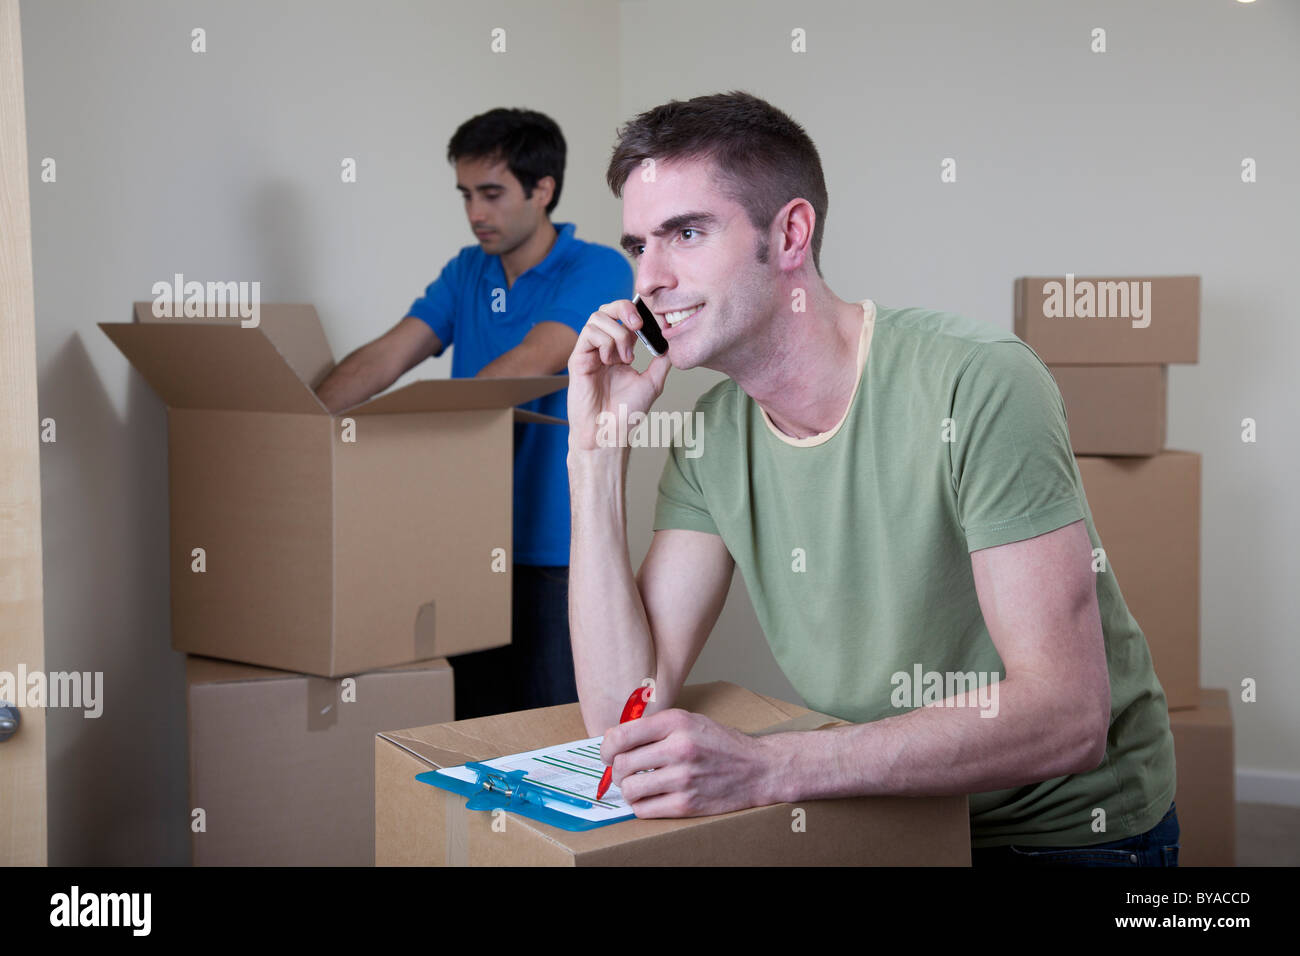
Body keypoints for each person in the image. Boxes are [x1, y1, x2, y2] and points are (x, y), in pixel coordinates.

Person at [565, 90, 1178, 865]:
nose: (648, 278)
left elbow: (1068, 716)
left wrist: (771, 769)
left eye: (685, 233)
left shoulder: (977, 382)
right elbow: (625, 710)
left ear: (790, 233)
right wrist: (592, 456)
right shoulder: (711, 435)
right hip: (884, 810)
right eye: (635, 247)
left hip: (1057, 833)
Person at [316, 107, 632, 719]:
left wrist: (411, 430)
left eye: (491, 193)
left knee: (560, 733)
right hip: (465, 542)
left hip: (560, 555)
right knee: (474, 733)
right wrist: (304, 420)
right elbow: (389, 354)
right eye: (465, 195)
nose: (475, 214)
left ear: (543, 190)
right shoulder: (467, 272)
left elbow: (534, 360)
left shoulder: (597, 268)